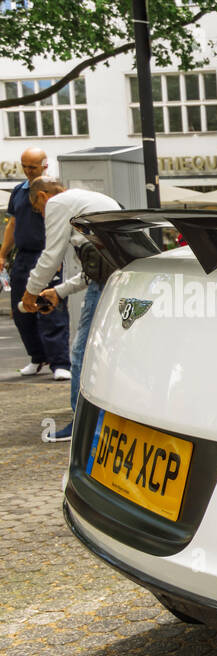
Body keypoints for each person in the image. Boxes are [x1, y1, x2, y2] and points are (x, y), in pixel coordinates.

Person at [23, 177, 120, 440]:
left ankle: (82, 429)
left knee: (81, 352)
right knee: (108, 353)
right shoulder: (90, 200)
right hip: (120, 280)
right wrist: (58, 291)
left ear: (42, 196)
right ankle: (108, 421)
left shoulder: (57, 203)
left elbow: (51, 256)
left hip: (106, 283)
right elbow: (96, 267)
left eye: (37, 209)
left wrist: (30, 293)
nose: (41, 214)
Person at [0, 148, 70, 379]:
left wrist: (58, 256)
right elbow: (12, 224)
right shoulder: (19, 192)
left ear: (44, 166)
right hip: (22, 257)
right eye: (25, 166)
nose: (28, 171)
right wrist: (2, 254)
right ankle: (37, 358)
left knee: (50, 308)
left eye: (33, 167)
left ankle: (60, 363)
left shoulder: (52, 192)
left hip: (47, 254)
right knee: (21, 311)